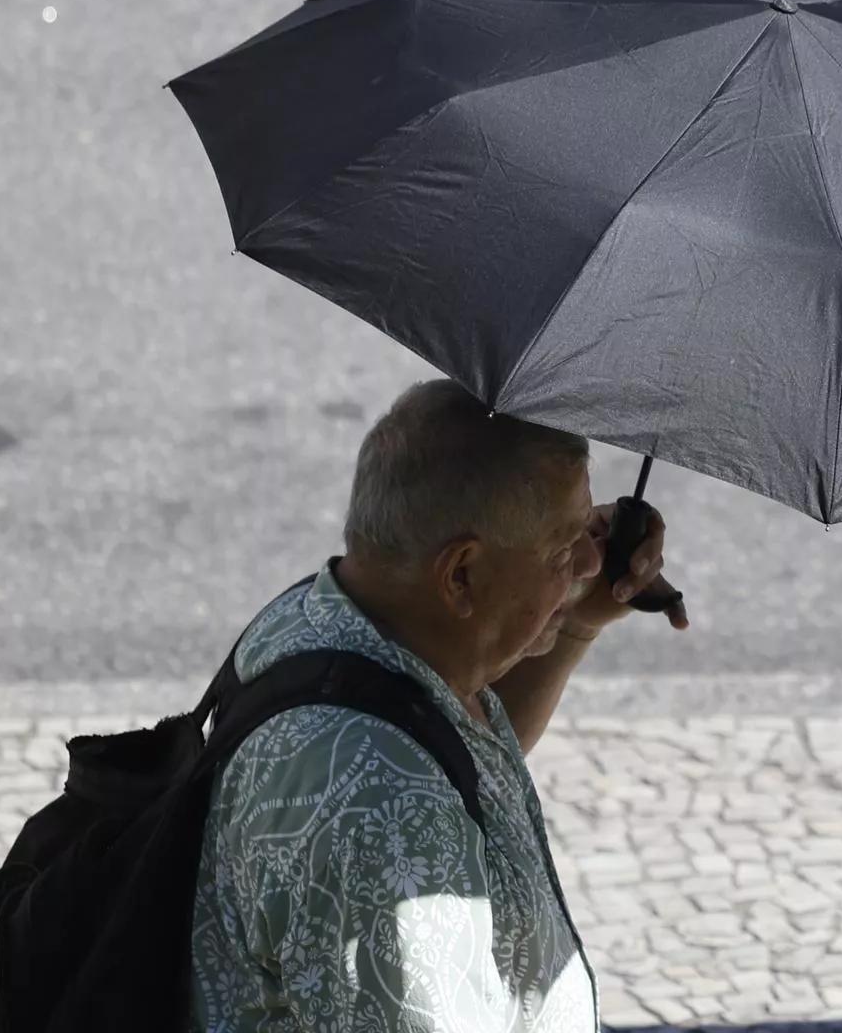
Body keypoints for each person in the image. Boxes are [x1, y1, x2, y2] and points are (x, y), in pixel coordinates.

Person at [189, 379, 684, 1032]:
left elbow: (464, 762)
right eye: (564, 548)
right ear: (461, 576)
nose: (593, 561)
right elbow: (406, 796)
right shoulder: (379, 814)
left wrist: (574, 619)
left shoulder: (339, 622)